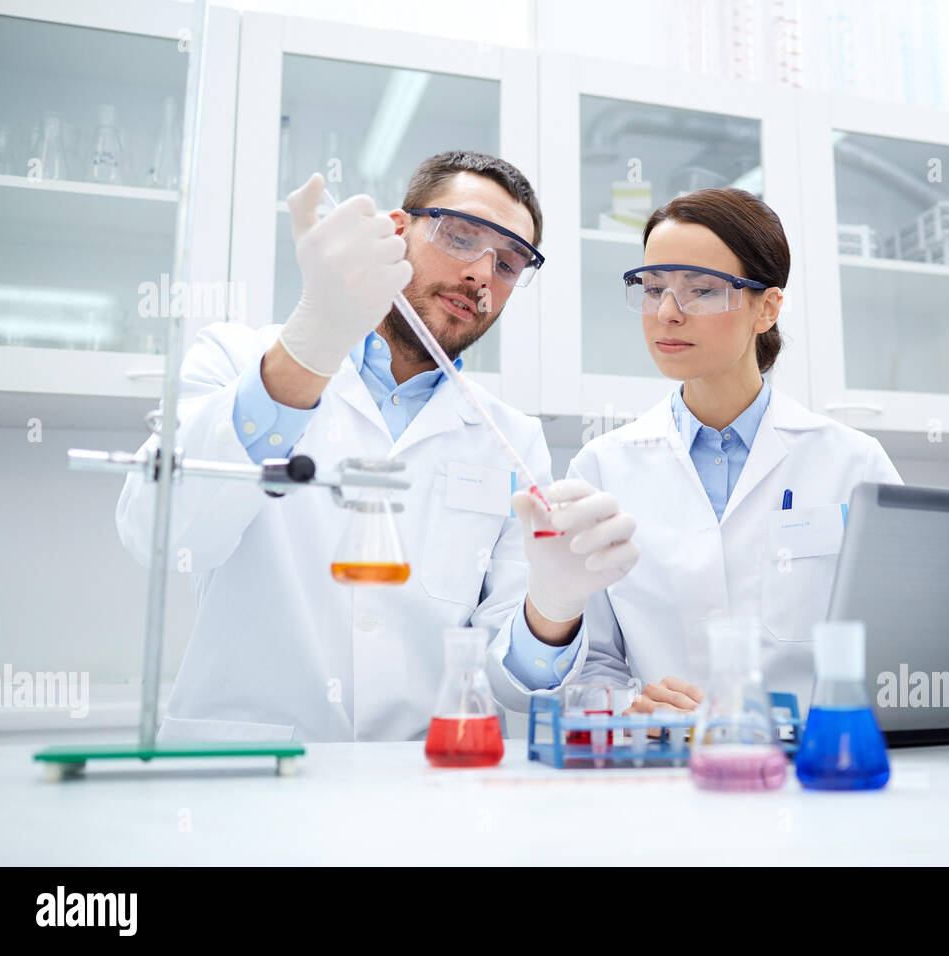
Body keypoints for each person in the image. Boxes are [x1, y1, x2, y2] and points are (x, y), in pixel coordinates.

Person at [487, 187, 949, 715]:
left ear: (766, 308)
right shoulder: (605, 467)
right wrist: (629, 704)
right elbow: (588, 667)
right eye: (653, 287)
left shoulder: (853, 463)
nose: (667, 313)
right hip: (672, 781)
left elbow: (919, 644)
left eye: (701, 288)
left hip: (823, 774)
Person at [116, 151, 637, 741]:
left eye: (510, 263)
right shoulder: (240, 361)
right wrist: (311, 345)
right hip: (248, 778)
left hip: (418, 787)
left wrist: (554, 610)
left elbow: (511, 685)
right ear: (395, 231)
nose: (481, 275)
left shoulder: (511, 439)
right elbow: (160, 536)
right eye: (461, 235)